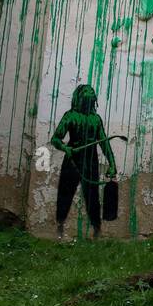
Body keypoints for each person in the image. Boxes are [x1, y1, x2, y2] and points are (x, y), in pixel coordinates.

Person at [51, 83, 117, 240]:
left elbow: (104, 143)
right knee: (65, 194)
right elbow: (55, 139)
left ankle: (97, 229)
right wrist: (65, 148)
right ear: (79, 99)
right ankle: (60, 225)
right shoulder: (70, 116)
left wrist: (112, 164)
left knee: (92, 196)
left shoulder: (95, 119)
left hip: (91, 162)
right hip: (72, 161)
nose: (89, 100)